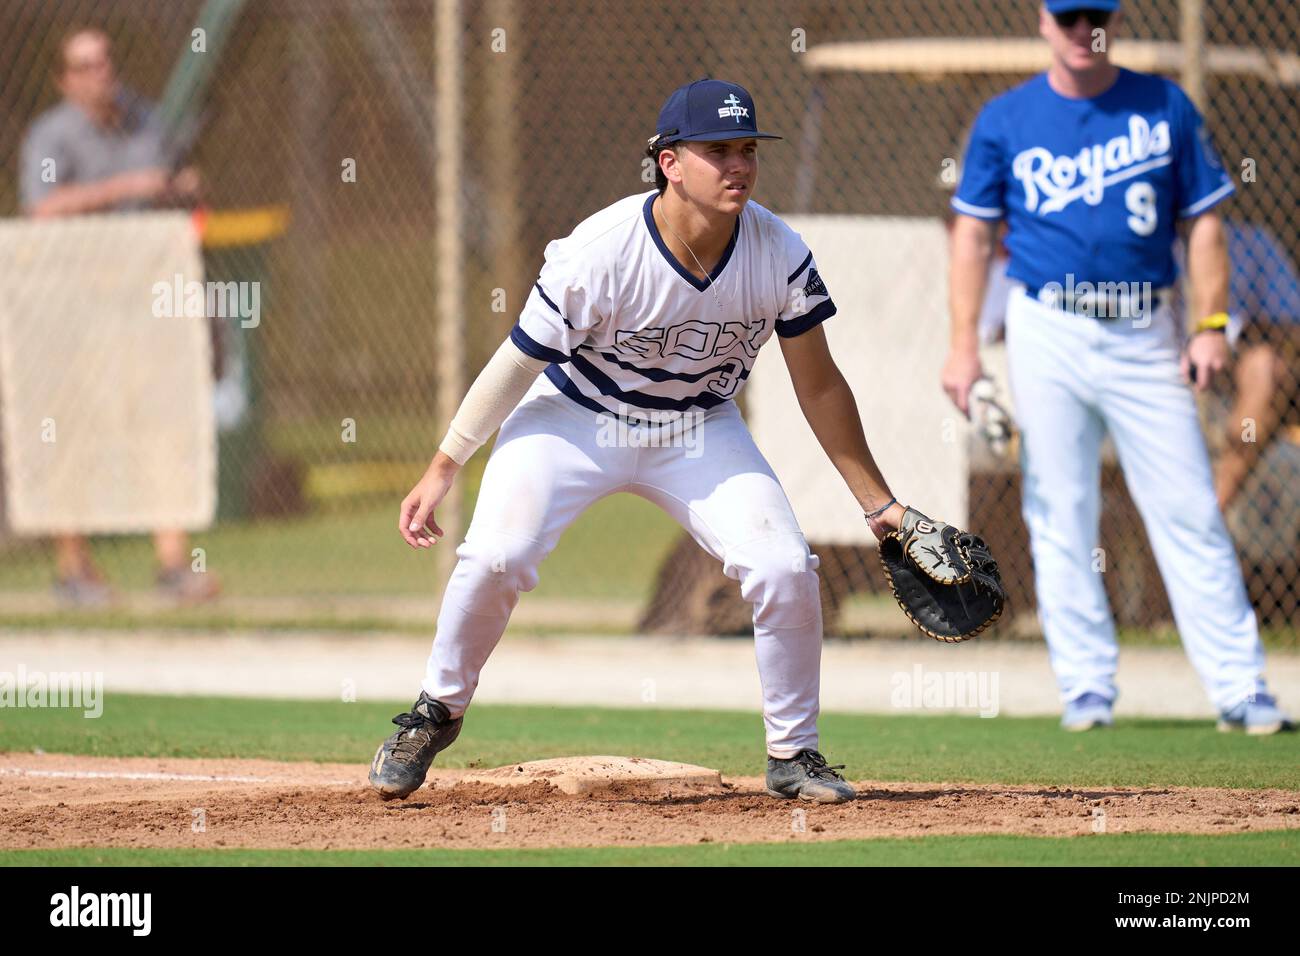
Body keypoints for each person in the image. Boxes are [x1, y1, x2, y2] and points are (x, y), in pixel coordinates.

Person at [369, 78, 910, 803]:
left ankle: (794, 753)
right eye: (717, 150)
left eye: (747, 148)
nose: (739, 165)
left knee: (784, 566)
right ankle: (435, 713)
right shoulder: (601, 250)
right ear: (669, 163)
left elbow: (819, 386)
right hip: (572, 418)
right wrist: (444, 467)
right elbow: (517, 362)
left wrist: (880, 506)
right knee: (498, 555)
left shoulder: (777, 251)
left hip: (699, 427)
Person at [941, 1, 1290, 734]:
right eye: (1068, 17)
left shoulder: (1163, 106)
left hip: (1144, 324)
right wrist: (964, 345)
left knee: (1189, 505)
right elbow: (972, 237)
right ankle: (1086, 686)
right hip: (1049, 324)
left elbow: (1204, 223)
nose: (1081, 30)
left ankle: (1240, 686)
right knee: (1060, 505)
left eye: (1094, 15)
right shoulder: (1006, 118)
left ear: (1114, 21)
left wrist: (1211, 325)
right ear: (1044, 23)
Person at [19, 27, 216, 606]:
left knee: (161, 423)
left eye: (105, 61)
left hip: (145, 305)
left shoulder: (146, 121)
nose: (100, 73)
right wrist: (127, 185)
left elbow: (165, 193)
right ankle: (74, 569)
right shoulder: (50, 136)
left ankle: (173, 565)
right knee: (73, 433)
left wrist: (178, 188)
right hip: (74, 307)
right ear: (64, 78)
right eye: (84, 65)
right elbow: (43, 209)